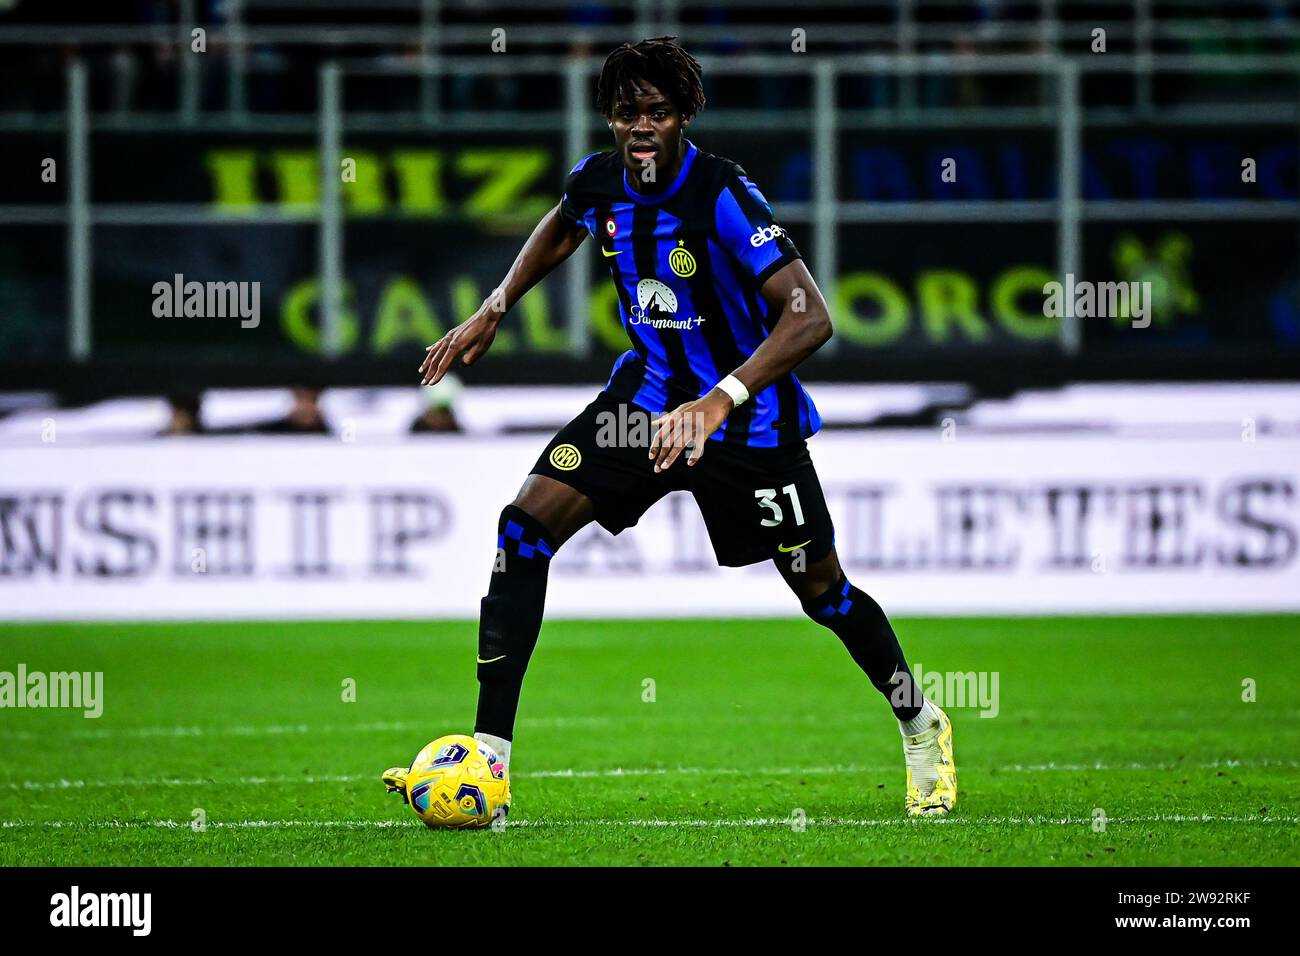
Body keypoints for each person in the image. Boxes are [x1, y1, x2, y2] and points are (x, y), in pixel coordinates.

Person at [384, 37, 956, 819]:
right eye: (626, 113)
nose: (640, 127)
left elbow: (810, 316)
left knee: (821, 591)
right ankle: (490, 760)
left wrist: (720, 397)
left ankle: (921, 724)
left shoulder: (723, 193)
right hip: (645, 409)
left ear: (683, 115)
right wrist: (496, 306)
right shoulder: (597, 181)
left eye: (655, 112)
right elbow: (563, 221)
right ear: (611, 121)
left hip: (748, 428)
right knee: (523, 530)